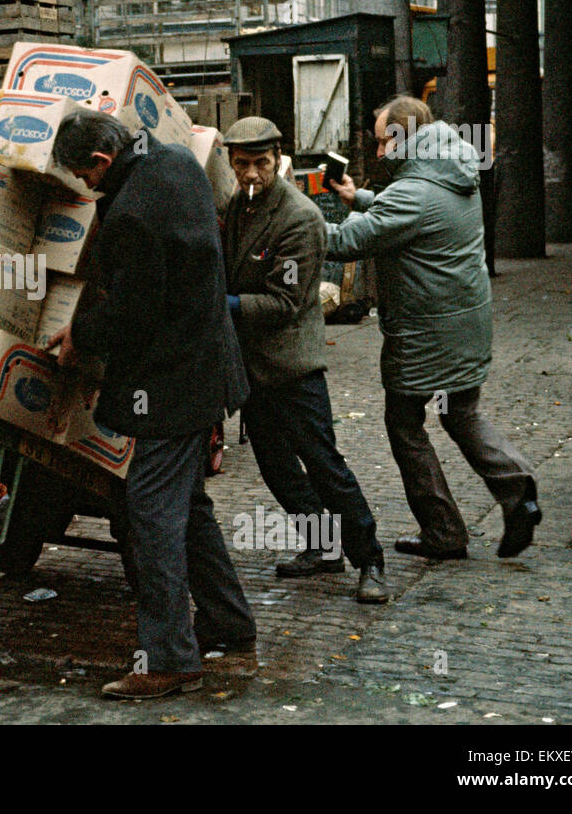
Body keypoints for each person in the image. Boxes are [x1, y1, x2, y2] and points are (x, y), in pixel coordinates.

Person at [46, 110, 255, 701]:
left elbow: (135, 312)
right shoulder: (176, 161)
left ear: (102, 162)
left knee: (152, 515)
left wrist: (80, 335)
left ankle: (167, 657)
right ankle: (230, 622)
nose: (85, 189)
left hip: (170, 385)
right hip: (209, 366)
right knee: (187, 505)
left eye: (85, 178)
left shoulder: (132, 216)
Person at [326, 96, 541, 559]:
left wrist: (291, 224)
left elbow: (348, 240)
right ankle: (518, 488)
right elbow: (414, 207)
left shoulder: (411, 192)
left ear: (405, 140)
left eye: (383, 142)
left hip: (425, 335)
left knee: (404, 424)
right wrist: (358, 197)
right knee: (461, 413)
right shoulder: (451, 165)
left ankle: (444, 532)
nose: (379, 152)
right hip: (465, 325)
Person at [220, 117, 388, 603]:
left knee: (323, 465)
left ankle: (370, 559)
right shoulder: (238, 206)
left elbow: (284, 303)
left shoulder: (300, 218)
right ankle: (322, 547)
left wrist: (219, 305)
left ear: (278, 160)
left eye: (261, 163)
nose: (251, 173)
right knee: (275, 466)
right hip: (251, 366)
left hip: (292, 367)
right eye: (242, 163)